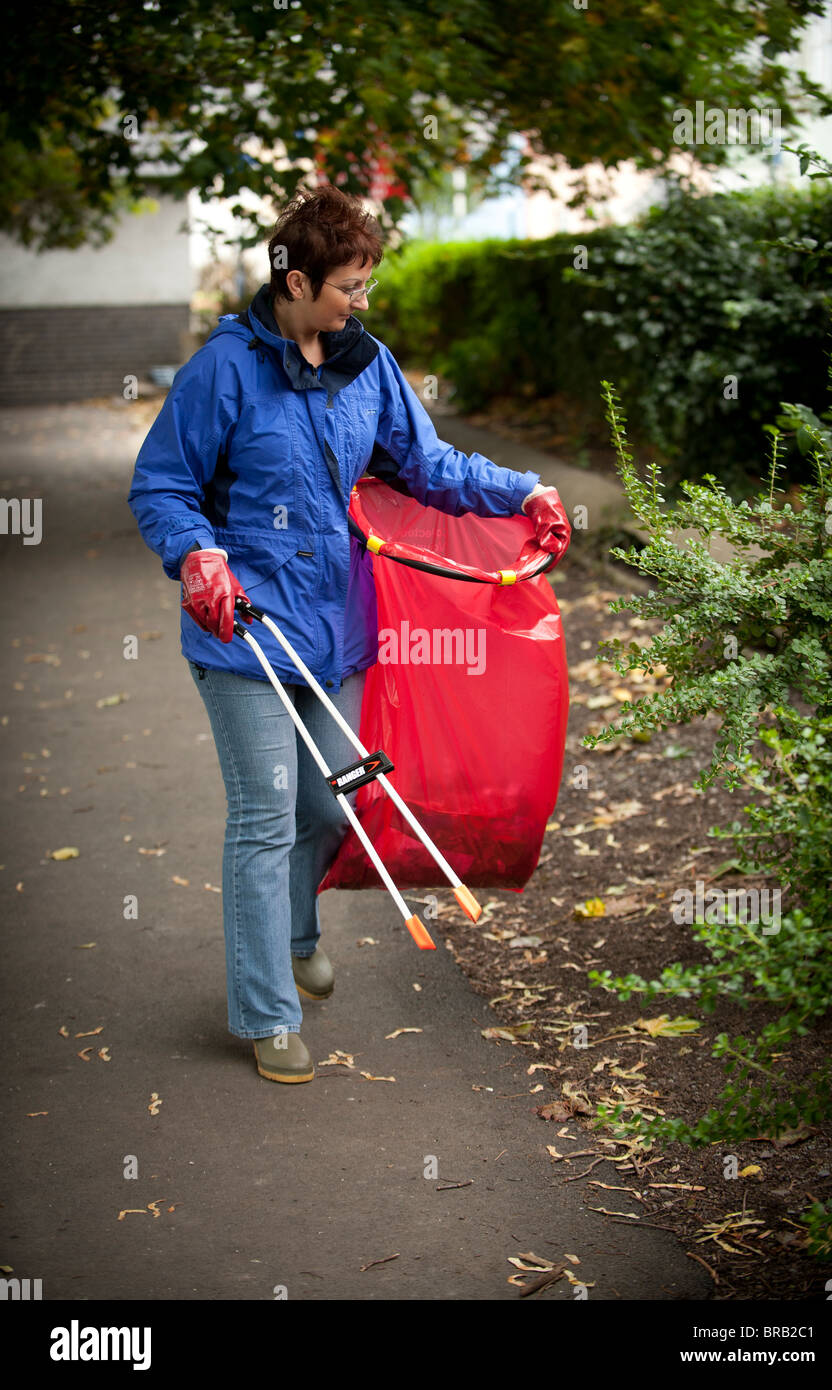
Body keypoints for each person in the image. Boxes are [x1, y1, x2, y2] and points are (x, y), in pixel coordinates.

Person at [127, 183, 571, 1085]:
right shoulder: (223, 370)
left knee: (329, 806)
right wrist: (197, 557)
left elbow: (428, 465)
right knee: (262, 816)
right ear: (294, 282)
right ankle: (266, 1014)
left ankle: (293, 937)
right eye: (347, 287)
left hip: (337, 627)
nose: (360, 303)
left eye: (366, 286)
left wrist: (522, 487)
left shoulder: (367, 365)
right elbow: (161, 485)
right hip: (242, 631)